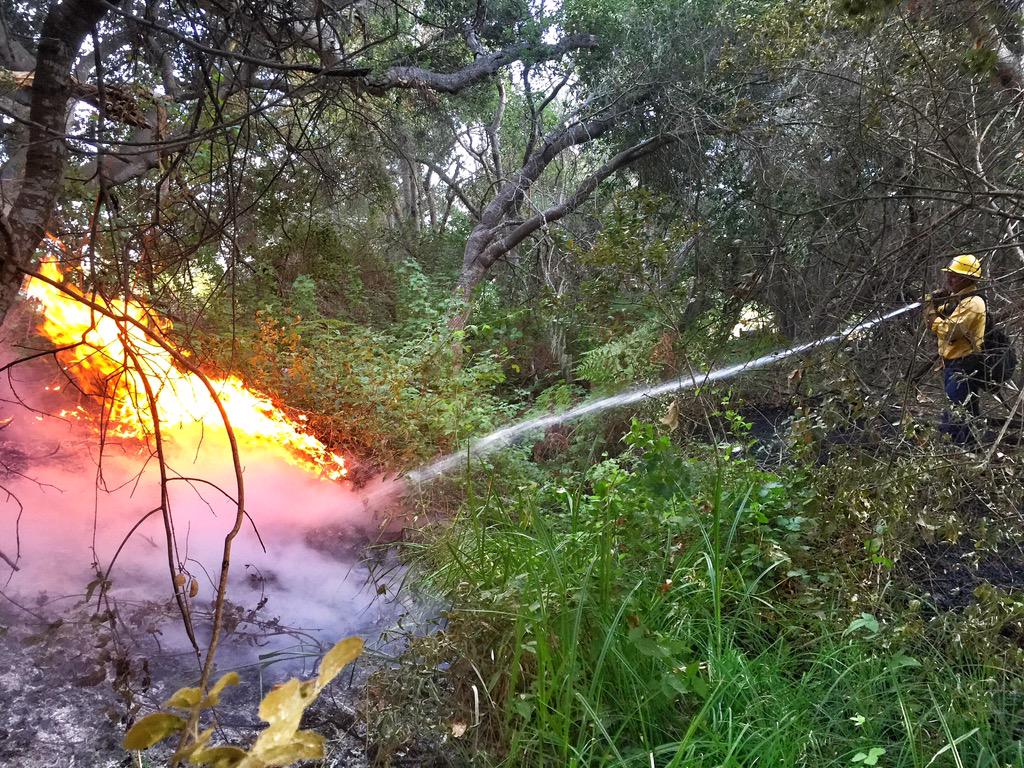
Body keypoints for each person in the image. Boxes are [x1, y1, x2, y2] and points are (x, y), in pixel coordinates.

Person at [925, 254, 987, 445]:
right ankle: (969, 448)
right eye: (950, 274)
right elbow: (942, 316)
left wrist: (930, 311)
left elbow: (950, 331)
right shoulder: (958, 299)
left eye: (955, 276)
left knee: (953, 414)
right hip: (953, 365)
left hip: (964, 367)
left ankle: (954, 452)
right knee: (965, 412)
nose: (950, 279)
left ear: (969, 279)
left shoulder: (973, 303)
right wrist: (936, 302)